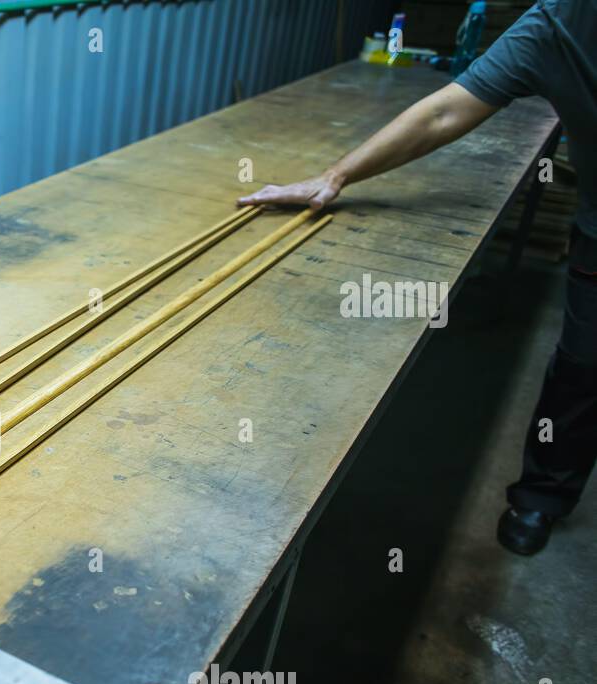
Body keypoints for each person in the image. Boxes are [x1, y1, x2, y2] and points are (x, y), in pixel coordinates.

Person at [238, 0, 596, 556]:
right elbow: (444, 112)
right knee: (583, 367)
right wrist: (335, 177)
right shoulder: (560, 24)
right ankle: (543, 496)